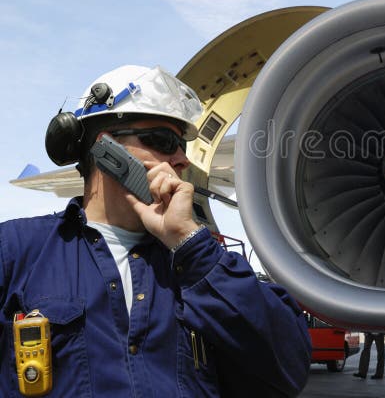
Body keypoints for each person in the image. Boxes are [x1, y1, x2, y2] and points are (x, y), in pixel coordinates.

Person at [0, 65, 311, 397]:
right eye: (164, 141)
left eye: (183, 146)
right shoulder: (16, 252)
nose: (182, 159)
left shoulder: (203, 262)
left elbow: (289, 369)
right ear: (107, 150)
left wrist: (189, 245)